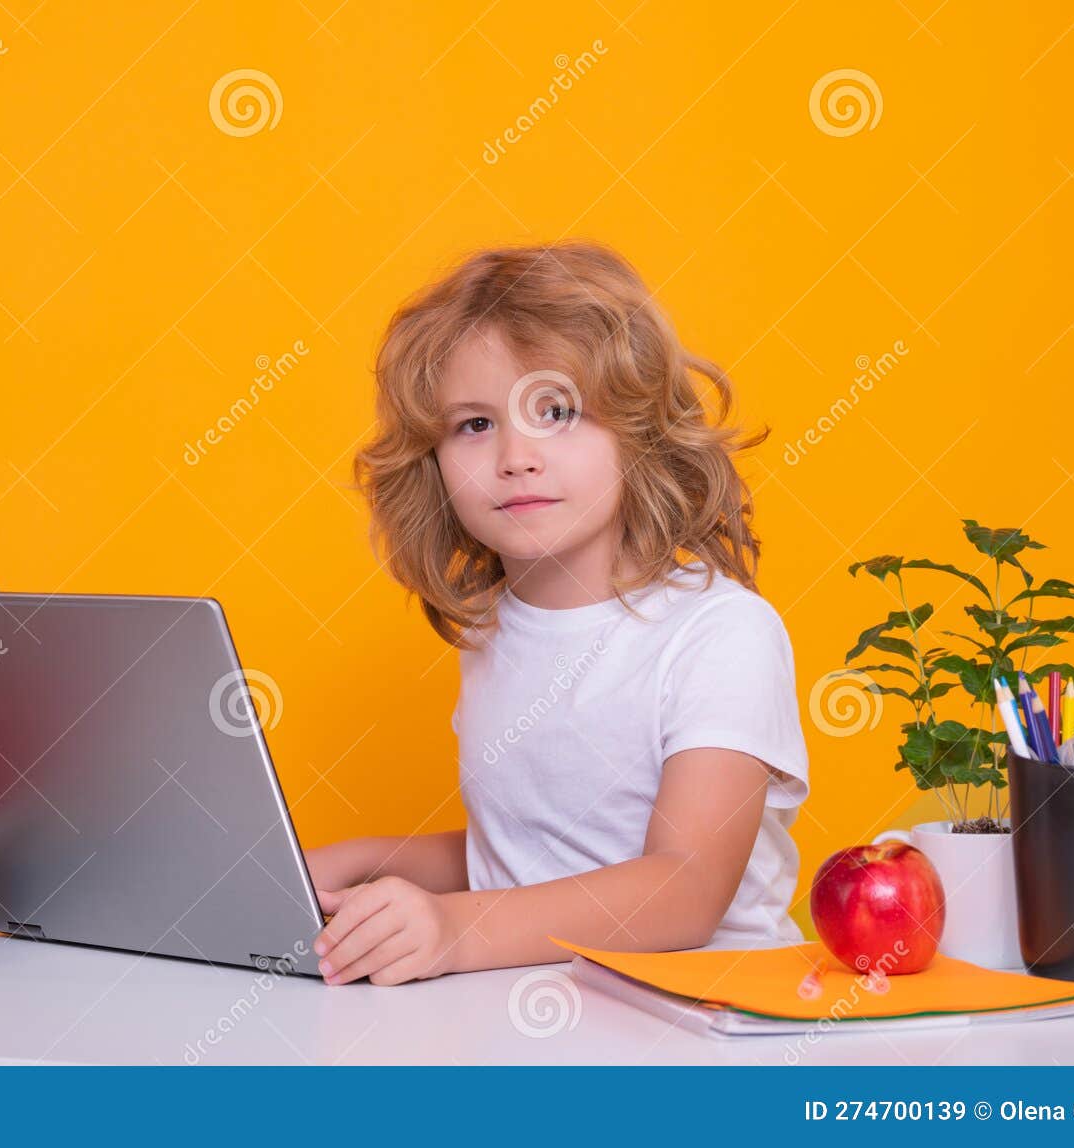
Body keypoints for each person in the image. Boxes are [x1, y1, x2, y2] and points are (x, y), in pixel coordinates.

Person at [305, 241, 810, 986]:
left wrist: (454, 930)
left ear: (638, 433)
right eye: (475, 425)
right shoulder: (493, 632)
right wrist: (360, 861)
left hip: (709, 1022)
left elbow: (684, 891)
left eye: (557, 411)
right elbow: (534, 850)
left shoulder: (720, 634)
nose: (516, 455)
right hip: (539, 1009)